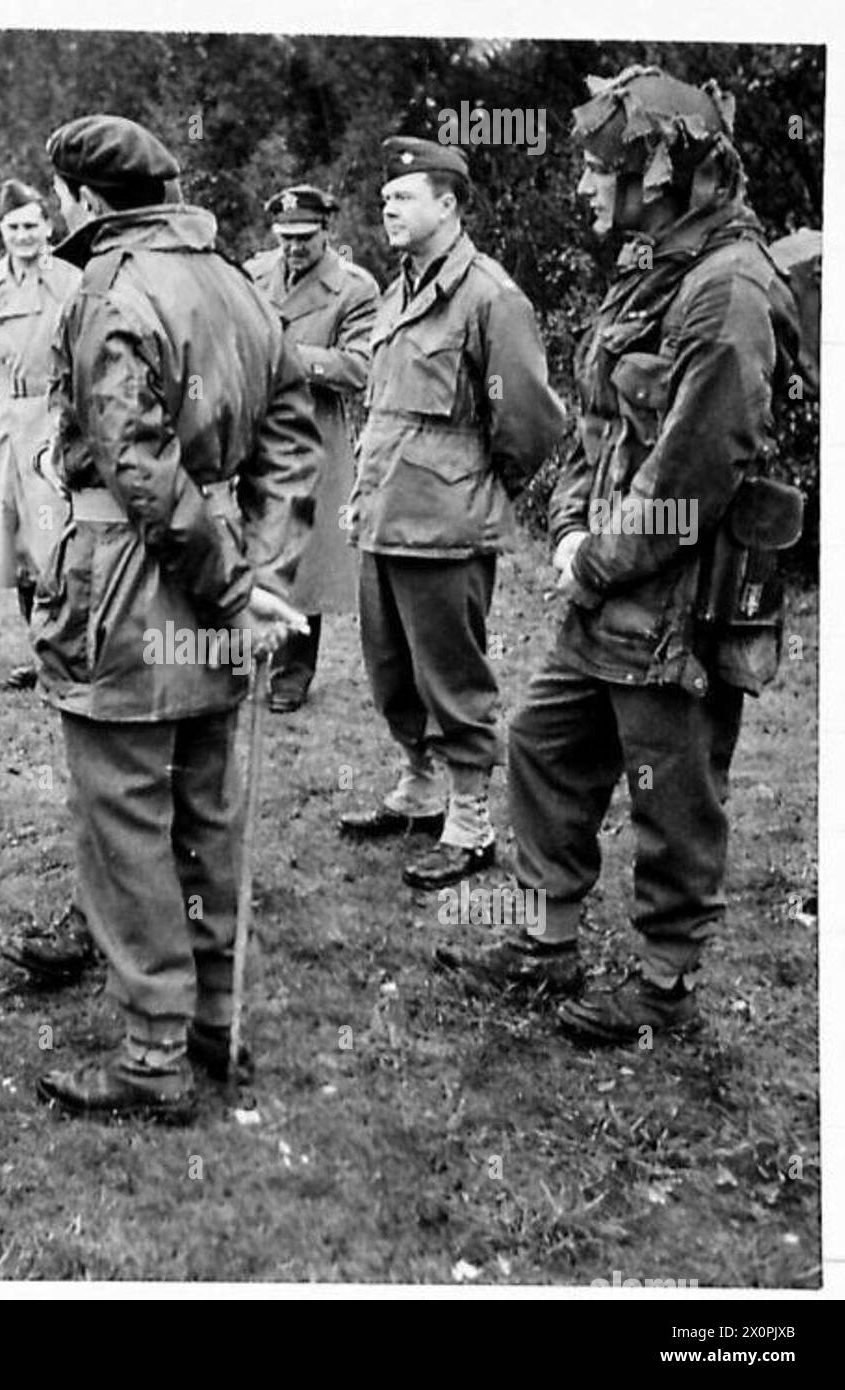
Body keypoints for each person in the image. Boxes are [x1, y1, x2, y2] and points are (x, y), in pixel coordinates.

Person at [435, 67, 800, 1043]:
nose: (588, 190)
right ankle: (546, 944)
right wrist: (564, 525)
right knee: (545, 745)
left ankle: (664, 989)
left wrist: (594, 559)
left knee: (671, 796)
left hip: (678, 602)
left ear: (661, 176)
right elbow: (598, 425)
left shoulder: (729, 295)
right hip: (610, 585)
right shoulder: (657, 270)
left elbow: (695, 474)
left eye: (604, 171)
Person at [30, 114, 323, 1121]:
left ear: (83, 200)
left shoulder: (111, 289)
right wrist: (265, 572)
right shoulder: (238, 282)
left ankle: (155, 1049)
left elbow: (140, 468)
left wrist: (242, 588)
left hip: (128, 585)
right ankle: (213, 1018)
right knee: (204, 808)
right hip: (215, 575)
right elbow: (291, 432)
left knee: (125, 822)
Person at [339, 138, 564, 890]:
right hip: (384, 515)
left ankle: (469, 821)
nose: (388, 209)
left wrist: (475, 486)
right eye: (385, 199)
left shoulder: (490, 295)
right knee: (390, 668)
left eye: (403, 197)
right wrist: (363, 493)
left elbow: (528, 419)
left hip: (446, 525)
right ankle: (420, 785)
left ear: (448, 204)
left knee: (452, 676)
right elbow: (385, 408)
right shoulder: (397, 290)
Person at [245, 185, 380, 712]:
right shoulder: (254, 274)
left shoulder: (354, 288)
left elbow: (361, 366)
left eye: (304, 238)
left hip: (311, 428)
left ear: (327, 231)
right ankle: (242, 656)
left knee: (306, 550)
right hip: (253, 425)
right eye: (286, 238)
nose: (294, 248)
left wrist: (288, 357)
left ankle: (292, 673)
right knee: (248, 538)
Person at [0, 179, 82, 689]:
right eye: (14, 227)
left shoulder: (73, 282)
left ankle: (72, 652)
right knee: (18, 549)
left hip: (56, 417)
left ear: (48, 227)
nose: (24, 236)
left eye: (32, 225)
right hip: (6, 422)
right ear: (1, 231)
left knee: (59, 543)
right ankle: (40, 649)